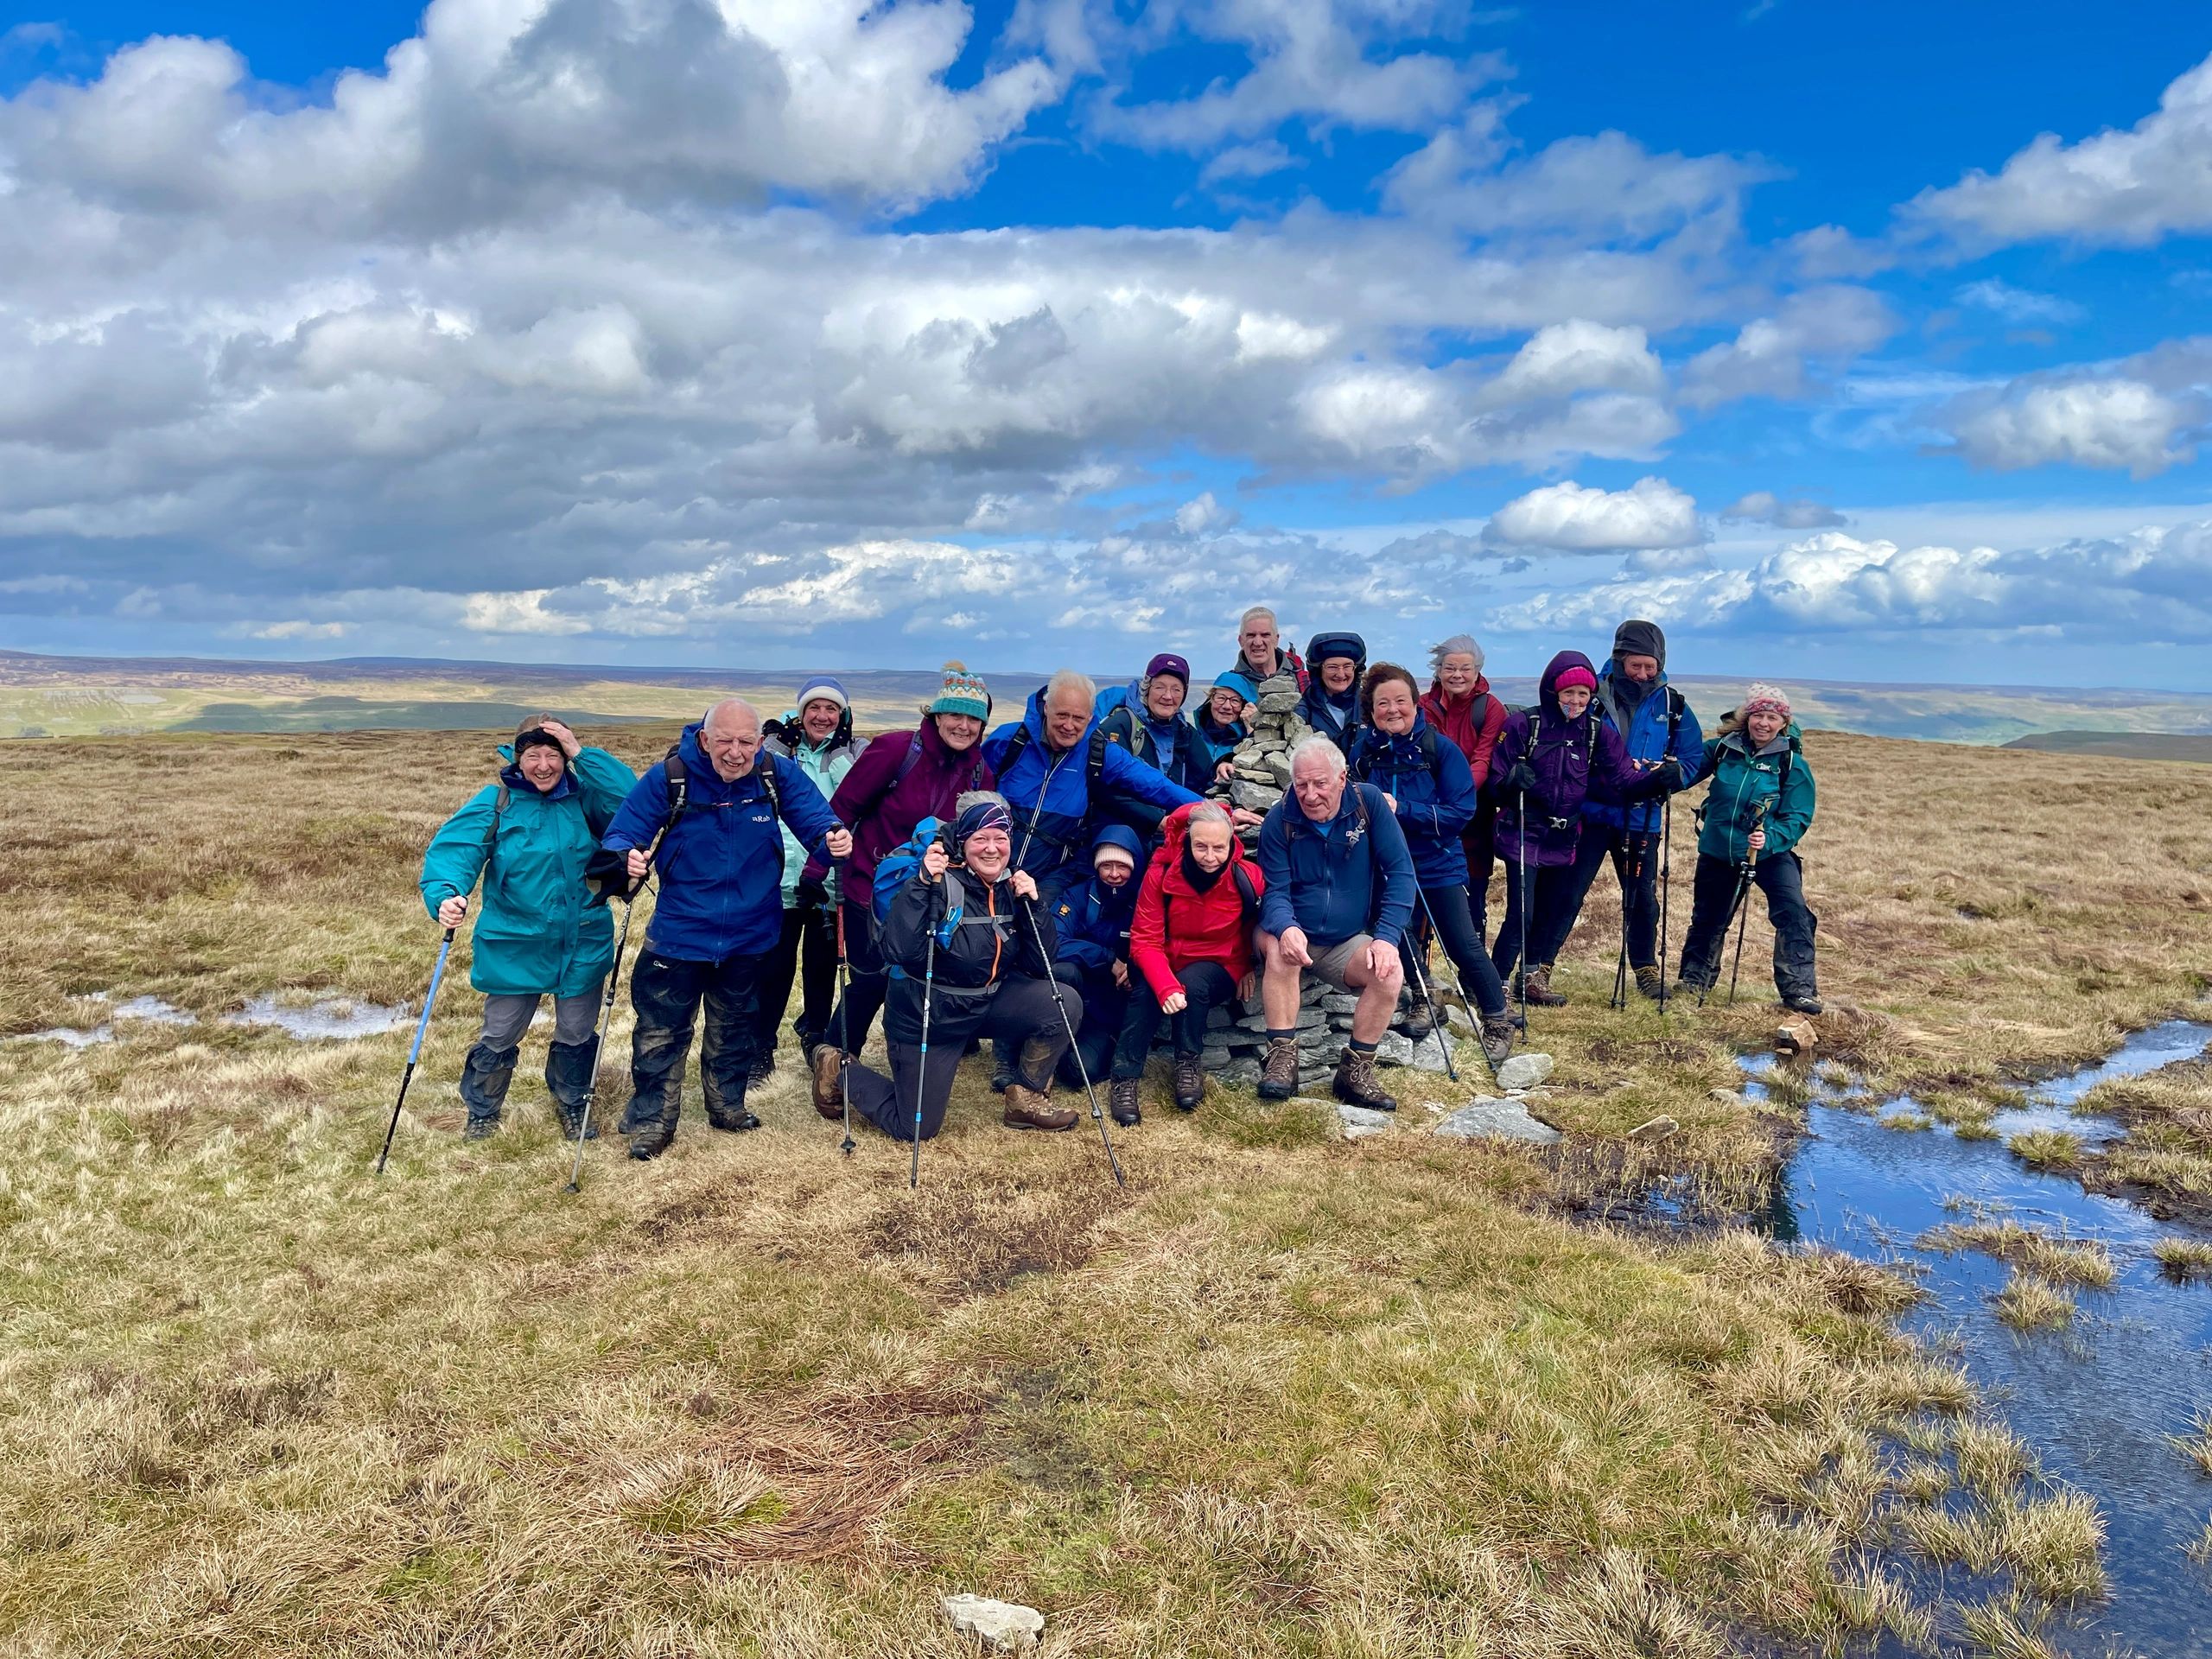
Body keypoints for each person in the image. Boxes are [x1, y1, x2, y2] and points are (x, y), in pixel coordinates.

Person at [601, 698, 853, 1160]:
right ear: (704, 739)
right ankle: (654, 1119)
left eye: (745, 742)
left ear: (760, 741)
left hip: (751, 930)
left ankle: (727, 1105)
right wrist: (625, 858)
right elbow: (623, 832)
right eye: (724, 742)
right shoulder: (671, 776)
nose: (735, 753)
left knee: (736, 1025)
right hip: (679, 931)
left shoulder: (775, 774)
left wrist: (832, 835)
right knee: (661, 1031)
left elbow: (816, 818)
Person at [418, 717, 638, 1140]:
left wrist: (580, 752)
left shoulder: (586, 799)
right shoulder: (496, 801)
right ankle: (482, 1112)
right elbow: (454, 853)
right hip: (514, 942)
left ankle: (574, 1104)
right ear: (517, 758)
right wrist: (446, 895)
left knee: (576, 1032)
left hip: (583, 938)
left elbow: (631, 798)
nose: (542, 764)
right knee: (500, 1033)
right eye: (533, 754)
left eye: (553, 754)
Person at [806, 663, 995, 1119]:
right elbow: (843, 809)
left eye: (974, 720)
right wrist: (817, 869)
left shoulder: (979, 775)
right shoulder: (895, 749)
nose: (963, 726)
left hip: (932, 896)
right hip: (869, 887)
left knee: (907, 976)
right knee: (870, 978)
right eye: (955, 716)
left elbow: (977, 837)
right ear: (936, 715)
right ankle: (831, 1056)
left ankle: (902, 1054)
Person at [842, 793, 1084, 1141]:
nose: (991, 849)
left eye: (1000, 838)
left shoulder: (1011, 886)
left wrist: (1036, 907)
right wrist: (922, 885)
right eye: (980, 838)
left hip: (985, 1004)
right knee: (916, 1127)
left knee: (1064, 1002)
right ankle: (839, 1067)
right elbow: (897, 951)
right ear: (963, 841)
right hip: (929, 1017)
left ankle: (1026, 1100)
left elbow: (1038, 966)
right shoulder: (939, 882)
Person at [1351, 666, 1518, 1065]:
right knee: (1398, 935)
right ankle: (1425, 998)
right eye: (1382, 704)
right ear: (1370, 711)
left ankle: (1498, 1020)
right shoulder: (1363, 752)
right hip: (1388, 866)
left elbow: (1461, 811)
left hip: (1438, 862)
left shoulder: (1440, 751)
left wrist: (1401, 810)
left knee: (1463, 943)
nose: (1393, 710)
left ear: (1415, 703)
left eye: (1400, 701)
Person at [1489, 652, 1676, 1007]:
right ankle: (1495, 983)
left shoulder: (1595, 732)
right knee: (1522, 912)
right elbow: (1496, 782)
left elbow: (1622, 777)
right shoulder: (1524, 726)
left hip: (1565, 837)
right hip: (1525, 833)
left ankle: (1529, 979)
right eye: (1568, 693)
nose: (1575, 702)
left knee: (1551, 908)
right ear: (1552, 691)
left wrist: (1654, 781)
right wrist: (1511, 783)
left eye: (1583, 695)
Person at [1255, 735, 1417, 1111]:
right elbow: (1274, 890)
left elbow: (1401, 873)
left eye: (1320, 783)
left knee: (1388, 974)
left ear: (1342, 778)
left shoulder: (1368, 804)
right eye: (1301, 785)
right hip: (1292, 930)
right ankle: (1282, 1061)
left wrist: (1387, 938)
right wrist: (1286, 926)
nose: (1310, 795)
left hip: (1346, 939)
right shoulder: (1280, 819)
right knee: (1281, 951)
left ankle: (1355, 1072)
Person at [1560, 621, 1704, 1000]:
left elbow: (1691, 758)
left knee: (1641, 899)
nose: (1642, 673)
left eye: (1649, 667)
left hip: (1642, 818)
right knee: (1567, 892)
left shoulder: (1674, 705)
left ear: (1660, 664)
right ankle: (1540, 966)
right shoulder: (1590, 696)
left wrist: (1674, 776)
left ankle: (1645, 969)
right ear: (1619, 658)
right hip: (1590, 814)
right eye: (1635, 665)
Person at [1113, 801, 1266, 1124]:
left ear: (1231, 845)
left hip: (1218, 964)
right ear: (1187, 841)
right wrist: (1165, 985)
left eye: (1218, 848)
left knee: (1193, 983)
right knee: (1145, 994)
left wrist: (1248, 964)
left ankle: (1188, 1065)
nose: (1210, 857)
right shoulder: (1161, 874)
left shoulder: (1247, 878)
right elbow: (1145, 939)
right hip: (1163, 958)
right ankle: (1124, 1080)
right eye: (1200, 847)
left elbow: (1253, 926)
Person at [982, 670, 1208, 883]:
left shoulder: (1098, 751)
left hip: (1052, 876)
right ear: (1046, 708)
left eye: (1078, 718)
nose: (1068, 725)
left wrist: (1209, 809)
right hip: (991, 865)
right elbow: (974, 785)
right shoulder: (1011, 740)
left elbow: (1155, 785)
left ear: (1090, 717)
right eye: (1062, 715)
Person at [1676, 683, 1821, 1014]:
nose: (1763, 723)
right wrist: (1652, 778)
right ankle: (1694, 980)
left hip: (1769, 853)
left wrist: (1769, 838)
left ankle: (1799, 990)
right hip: (1719, 850)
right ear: (1747, 717)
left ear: (1783, 723)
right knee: (1709, 918)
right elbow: (1682, 775)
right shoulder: (1722, 750)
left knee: (1793, 914)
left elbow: (1798, 815)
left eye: (1772, 717)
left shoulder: (1791, 763)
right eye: (1758, 715)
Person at [753, 676, 859, 1084]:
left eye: (831, 709)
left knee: (822, 968)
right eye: (814, 708)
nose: (822, 716)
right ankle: (761, 1045)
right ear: (800, 713)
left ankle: (816, 1039)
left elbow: (859, 804)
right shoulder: (776, 751)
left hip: (830, 883)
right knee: (773, 969)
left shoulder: (853, 752)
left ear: (842, 715)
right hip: (778, 881)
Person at [1039, 825, 1144, 1093]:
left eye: (1122, 866)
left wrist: (1135, 970)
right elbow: (1053, 941)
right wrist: (1108, 958)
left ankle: (1065, 1055)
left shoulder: (1145, 898)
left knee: (1079, 1072)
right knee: (1063, 971)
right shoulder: (1078, 896)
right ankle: (1039, 1046)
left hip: (1110, 1009)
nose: (1113, 874)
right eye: (1105, 865)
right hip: (1076, 994)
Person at [1419, 634, 1508, 944]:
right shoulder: (1423, 706)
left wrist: (1457, 797)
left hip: (1473, 811)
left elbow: (1484, 756)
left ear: (1477, 671)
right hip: (1428, 811)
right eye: (1450, 668)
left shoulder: (1491, 708)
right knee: (1426, 890)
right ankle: (1423, 972)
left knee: (1473, 888)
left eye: (1465, 669)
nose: (1457, 675)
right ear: (1438, 670)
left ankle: (1472, 970)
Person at [1092, 653, 1231, 835]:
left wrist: (1223, 765)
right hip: (1124, 831)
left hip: (1172, 830)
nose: (1168, 696)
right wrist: (1155, 819)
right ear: (1147, 689)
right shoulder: (1120, 725)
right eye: (1159, 687)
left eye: (1176, 690)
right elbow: (1106, 790)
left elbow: (1206, 779)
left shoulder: (1185, 733)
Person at [1215, 605, 1307, 710]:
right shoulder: (1230, 686)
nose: (1258, 643)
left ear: (1276, 639)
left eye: (1265, 635)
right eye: (1251, 635)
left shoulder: (1302, 680)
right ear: (1241, 641)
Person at [1299, 632, 1367, 755]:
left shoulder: (1370, 705)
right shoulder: (1304, 709)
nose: (1341, 674)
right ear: (1318, 670)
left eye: (1347, 666)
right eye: (1332, 667)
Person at [1193, 681, 1250, 771]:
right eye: (1221, 698)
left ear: (1243, 706)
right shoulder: (1192, 738)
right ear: (1211, 699)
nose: (1227, 706)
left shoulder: (1246, 742)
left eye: (1235, 700)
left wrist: (1252, 730)